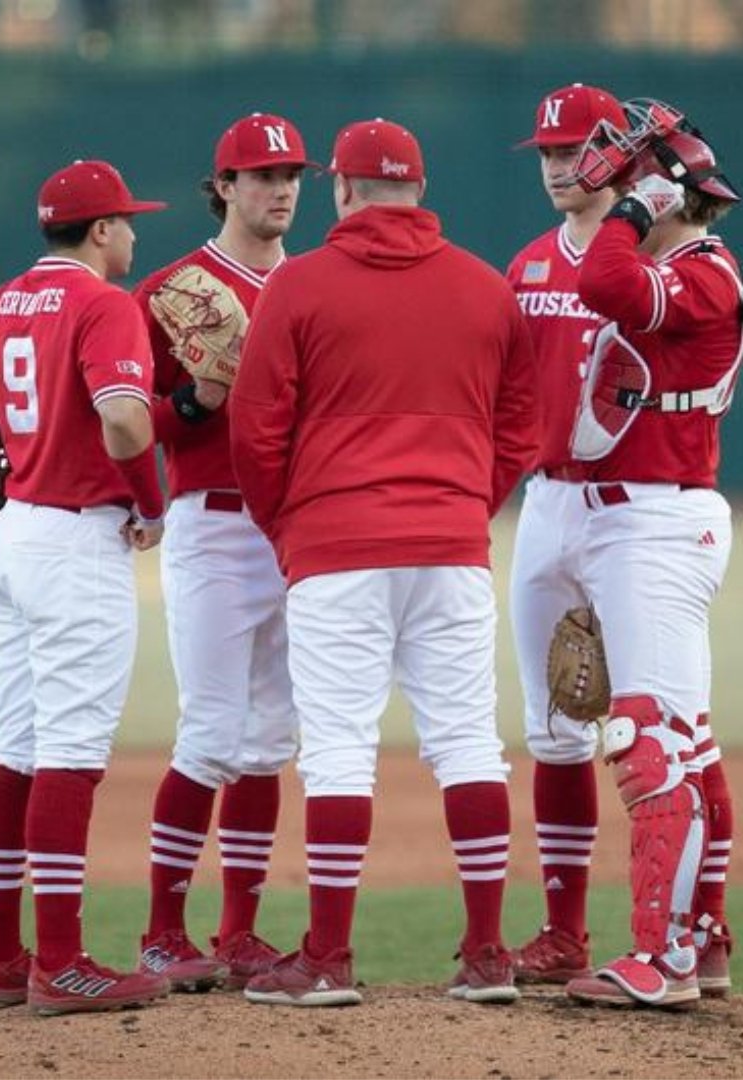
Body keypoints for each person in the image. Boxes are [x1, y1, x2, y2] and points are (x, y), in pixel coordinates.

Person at [229, 118, 540, 1007]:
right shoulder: (486, 289)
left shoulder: (297, 284)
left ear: (342, 190)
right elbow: (524, 424)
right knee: (470, 743)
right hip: (450, 550)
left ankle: (326, 959)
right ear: (420, 188)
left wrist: (290, 525)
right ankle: (488, 956)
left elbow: (256, 429)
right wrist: (462, 506)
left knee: (336, 751)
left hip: (335, 549)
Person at [0, 158, 173, 1016]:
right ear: (99, 232)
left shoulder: (1, 303)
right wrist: (152, 503)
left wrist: (26, 423)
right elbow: (128, 418)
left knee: (15, 747)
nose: (133, 232)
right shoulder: (106, 305)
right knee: (69, 753)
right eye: (126, 221)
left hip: (14, 534)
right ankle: (59, 960)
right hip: (75, 539)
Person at [555, 99, 743, 1008]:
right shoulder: (693, 263)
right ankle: (704, 938)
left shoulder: (702, 270)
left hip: (658, 524)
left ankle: (660, 958)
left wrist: (638, 203)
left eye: (628, 176)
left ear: (669, 189)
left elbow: (602, 282)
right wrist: (645, 201)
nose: (610, 187)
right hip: (644, 519)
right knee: (691, 740)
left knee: (646, 738)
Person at [127, 113, 313, 994]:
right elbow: (124, 419)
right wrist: (194, 406)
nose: (280, 188)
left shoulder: (319, 287)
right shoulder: (172, 288)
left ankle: (238, 931)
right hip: (211, 520)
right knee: (210, 730)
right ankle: (163, 931)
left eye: (292, 175)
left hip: (296, 527)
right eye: (262, 174)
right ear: (224, 186)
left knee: (271, 734)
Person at [500, 82, 627, 988]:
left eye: (572, 150)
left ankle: (694, 928)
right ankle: (563, 933)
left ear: (615, 154)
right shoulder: (528, 267)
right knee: (553, 727)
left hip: (634, 506)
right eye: (546, 153)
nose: (555, 167)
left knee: (661, 726)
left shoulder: (655, 258)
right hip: (546, 504)